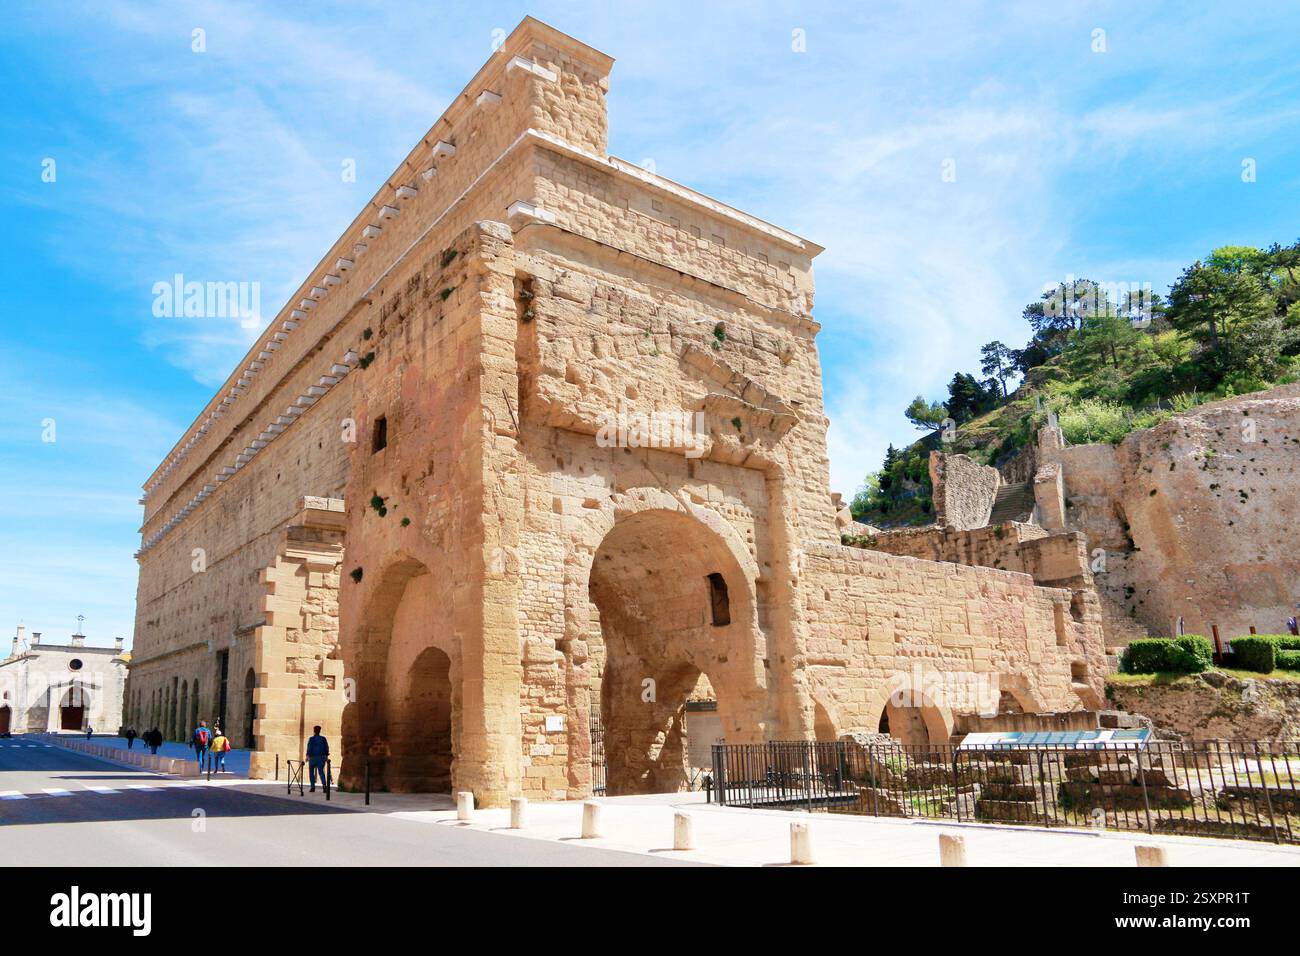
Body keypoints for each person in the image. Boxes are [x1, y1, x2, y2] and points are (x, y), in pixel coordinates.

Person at [306, 725, 330, 793]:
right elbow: (326, 747)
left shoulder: (311, 739)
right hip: (321, 757)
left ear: (314, 731)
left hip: (313, 757)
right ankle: (324, 786)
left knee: (311, 772)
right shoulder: (323, 738)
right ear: (319, 731)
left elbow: (309, 747)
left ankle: (312, 787)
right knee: (321, 772)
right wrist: (326, 756)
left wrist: (307, 756)